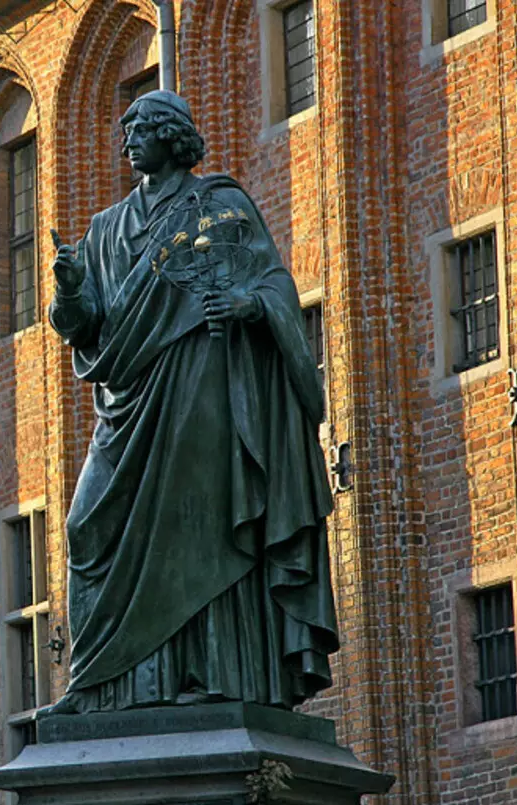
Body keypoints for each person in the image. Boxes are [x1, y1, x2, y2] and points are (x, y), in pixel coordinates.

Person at [43, 90, 338, 714]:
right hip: (130, 399)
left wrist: (249, 305)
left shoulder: (218, 205)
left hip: (201, 386)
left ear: (172, 136)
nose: (128, 141)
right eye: (125, 131)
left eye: (140, 128)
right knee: (85, 525)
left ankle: (212, 676)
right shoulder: (106, 227)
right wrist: (69, 292)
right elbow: (86, 326)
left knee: (199, 526)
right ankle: (99, 683)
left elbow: (272, 282)